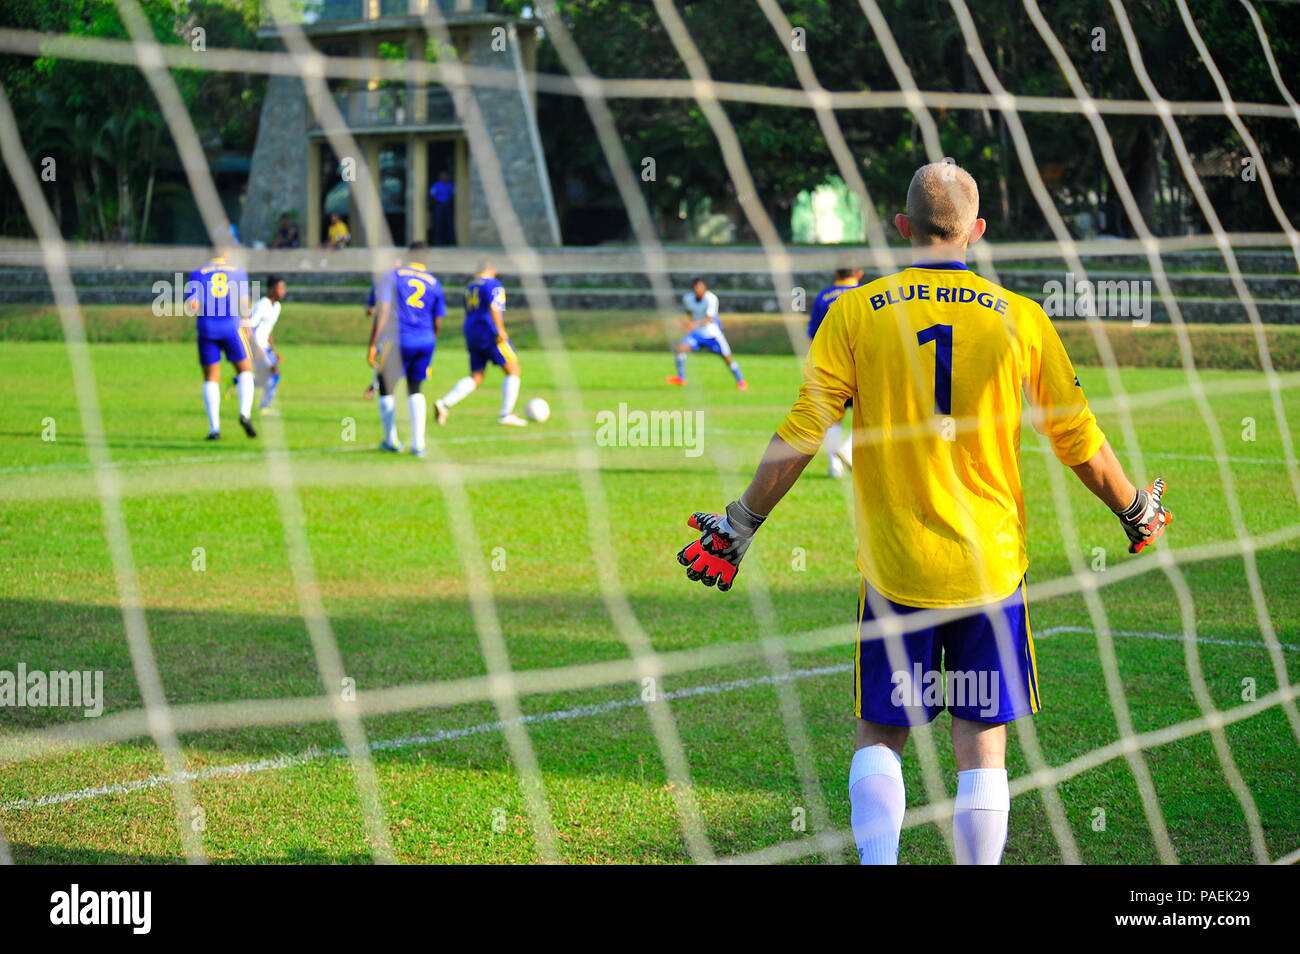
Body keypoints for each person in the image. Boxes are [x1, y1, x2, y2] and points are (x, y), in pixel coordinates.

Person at [674, 161, 1172, 866]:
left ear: (902, 228)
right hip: (990, 570)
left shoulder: (854, 311)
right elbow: (1079, 440)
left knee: (882, 732)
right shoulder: (1022, 319)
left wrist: (739, 524)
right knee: (982, 744)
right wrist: (1134, 510)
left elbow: (804, 431)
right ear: (977, 230)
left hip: (896, 569)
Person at [369, 243, 446, 456]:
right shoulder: (434, 282)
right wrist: (431, 341)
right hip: (425, 340)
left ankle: (391, 440)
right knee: (415, 388)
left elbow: (383, 309)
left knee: (386, 387)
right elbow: (438, 320)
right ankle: (418, 444)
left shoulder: (393, 275)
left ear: (408, 255)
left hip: (399, 338)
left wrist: (373, 343)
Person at [433, 261, 527, 427]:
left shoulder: (471, 286)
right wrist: (501, 329)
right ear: (493, 271)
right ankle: (506, 415)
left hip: (471, 332)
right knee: (513, 370)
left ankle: (444, 404)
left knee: (476, 376)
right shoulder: (493, 283)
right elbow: (495, 306)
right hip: (489, 332)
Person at [185, 247, 256, 440]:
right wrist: (246, 319)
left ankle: (214, 429)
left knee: (211, 377)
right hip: (231, 327)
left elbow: (192, 305)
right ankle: (244, 414)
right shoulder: (238, 272)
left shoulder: (197, 273)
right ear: (227, 253)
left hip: (207, 328)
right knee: (245, 370)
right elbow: (243, 300)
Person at [809, 268, 865, 478]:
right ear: (859, 273)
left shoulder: (823, 297)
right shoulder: (866, 293)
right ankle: (847, 449)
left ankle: (835, 466)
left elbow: (813, 333)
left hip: (830, 367)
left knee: (834, 419)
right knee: (870, 415)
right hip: (858, 366)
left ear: (835, 274)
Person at [665, 277, 746, 390]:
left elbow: (710, 319)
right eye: (696, 287)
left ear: (705, 288)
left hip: (712, 335)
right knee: (679, 349)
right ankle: (681, 378)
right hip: (697, 334)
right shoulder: (688, 299)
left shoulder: (711, 299)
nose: (698, 289)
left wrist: (694, 324)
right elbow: (690, 313)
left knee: (727, 359)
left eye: (700, 287)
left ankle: (741, 381)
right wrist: (688, 324)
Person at [246, 275, 286, 414]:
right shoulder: (263, 304)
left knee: (269, 377)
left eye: (284, 288)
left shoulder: (277, 307)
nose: (283, 291)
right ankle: (264, 407)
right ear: (271, 289)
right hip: (257, 347)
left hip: (265, 348)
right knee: (274, 372)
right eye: (280, 288)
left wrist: (273, 351)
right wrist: (255, 349)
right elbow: (250, 326)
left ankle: (237, 381)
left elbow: (269, 331)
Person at [430, 170, 455, 246]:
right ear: (440, 177)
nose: (443, 177)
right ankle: (438, 242)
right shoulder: (436, 185)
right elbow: (432, 196)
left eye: (445, 175)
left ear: (447, 176)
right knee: (438, 224)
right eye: (442, 175)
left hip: (448, 205)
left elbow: (453, 194)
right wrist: (435, 205)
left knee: (449, 224)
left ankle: (451, 242)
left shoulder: (450, 185)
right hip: (439, 205)